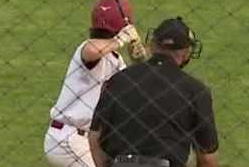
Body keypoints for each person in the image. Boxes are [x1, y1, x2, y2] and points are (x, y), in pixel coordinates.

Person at [89, 17, 218, 167]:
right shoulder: (196, 91)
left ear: (152, 45)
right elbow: (207, 158)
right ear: (186, 52)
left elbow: (94, 136)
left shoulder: (118, 80)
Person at [44, 0, 148, 167]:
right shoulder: (89, 49)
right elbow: (92, 51)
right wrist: (120, 40)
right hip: (68, 138)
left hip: (86, 140)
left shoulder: (115, 59)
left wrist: (139, 61)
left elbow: (135, 88)